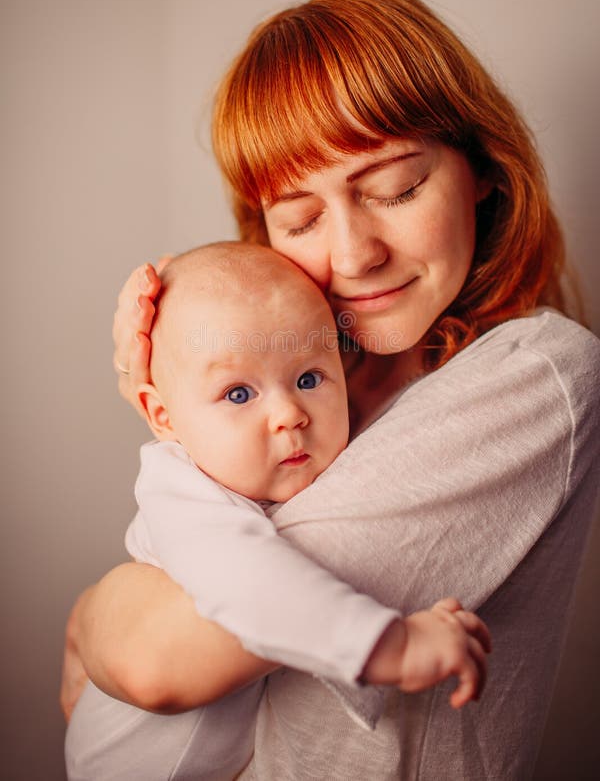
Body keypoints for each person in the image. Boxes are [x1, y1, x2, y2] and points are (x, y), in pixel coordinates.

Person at [61, 0, 600, 780]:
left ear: (484, 168)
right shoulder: (309, 378)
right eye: (301, 219)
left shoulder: (535, 376)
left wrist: (87, 618)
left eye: (395, 189)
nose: (352, 256)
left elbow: (164, 662)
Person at [65, 241, 490, 781]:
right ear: (161, 415)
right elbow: (252, 585)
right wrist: (392, 647)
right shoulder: (180, 490)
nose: (290, 414)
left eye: (309, 379)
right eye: (239, 393)